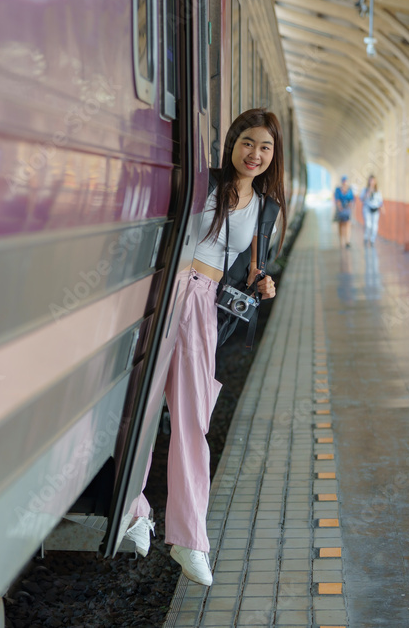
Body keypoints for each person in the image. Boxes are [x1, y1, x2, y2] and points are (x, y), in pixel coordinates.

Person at [125, 108, 284, 586]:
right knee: (141, 407)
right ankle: (134, 512)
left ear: (274, 156)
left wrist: (264, 283)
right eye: (248, 143)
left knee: (193, 419)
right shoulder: (204, 185)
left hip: (202, 306)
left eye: (265, 147)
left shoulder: (266, 209)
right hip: (163, 291)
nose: (254, 154)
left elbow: (248, 269)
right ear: (232, 142)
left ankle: (190, 539)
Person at [362, 175, 383, 246]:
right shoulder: (365, 190)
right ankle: (366, 236)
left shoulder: (378, 191)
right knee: (368, 225)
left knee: (375, 226)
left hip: (375, 210)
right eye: (370, 180)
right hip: (367, 209)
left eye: (373, 180)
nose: (372, 182)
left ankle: (372, 239)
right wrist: (368, 192)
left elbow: (380, 201)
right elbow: (361, 198)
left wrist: (382, 208)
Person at [334, 176, 355, 248]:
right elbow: (337, 199)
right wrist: (339, 206)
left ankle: (347, 241)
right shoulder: (338, 190)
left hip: (347, 209)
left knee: (348, 224)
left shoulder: (350, 190)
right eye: (344, 181)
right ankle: (341, 241)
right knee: (341, 225)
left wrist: (350, 205)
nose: (345, 182)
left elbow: (352, 199)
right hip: (340, 209)